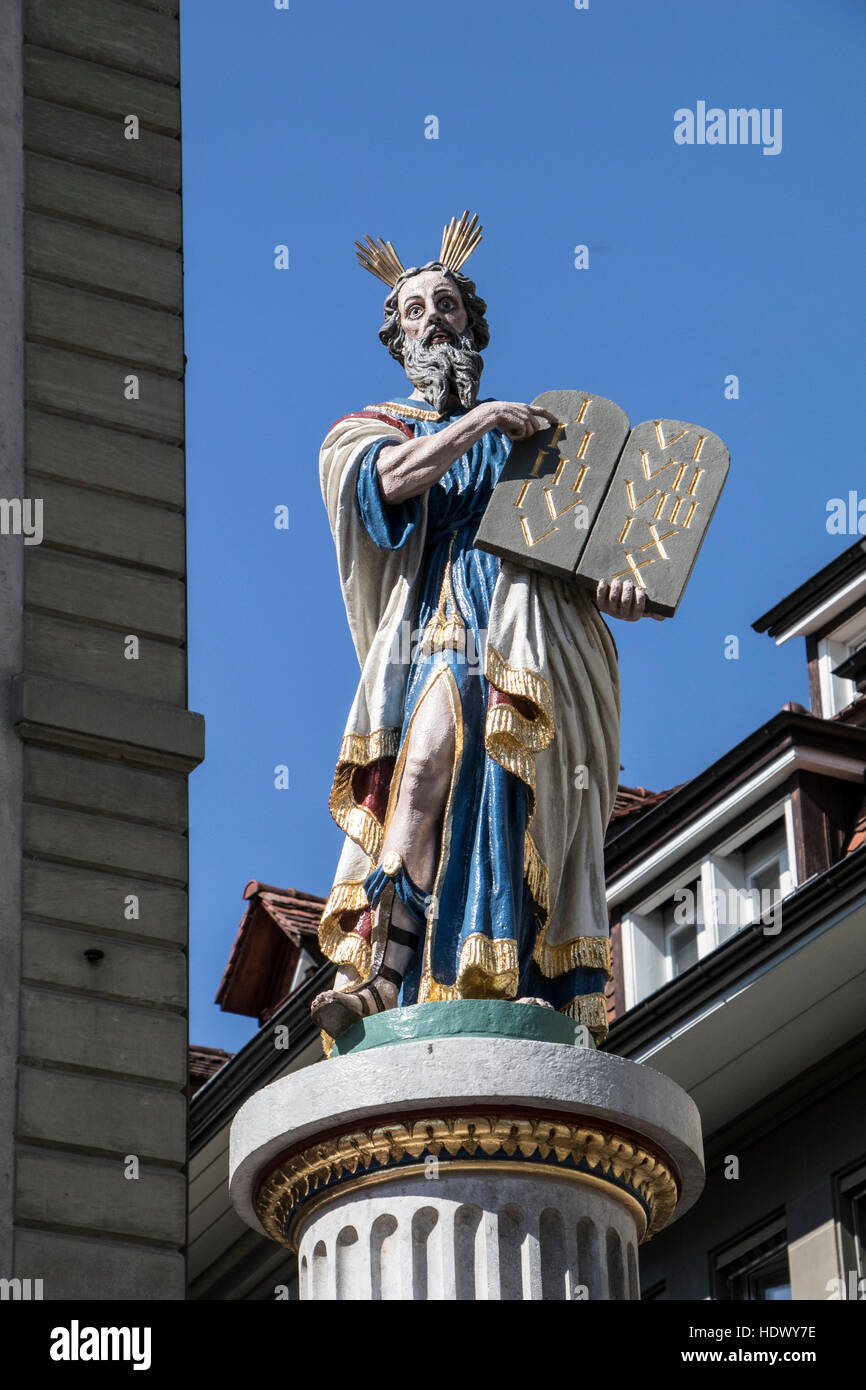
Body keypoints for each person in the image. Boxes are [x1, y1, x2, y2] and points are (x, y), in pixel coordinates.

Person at [311, 215, 658, 1045]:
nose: (434, 318)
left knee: (522, 793)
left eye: (448, 305)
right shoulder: (374, 426)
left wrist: (621, 587)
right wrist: (478, 424)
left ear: (473, 324)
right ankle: (376, 976)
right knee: (425, 762)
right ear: (397, 337)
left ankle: (512, 975)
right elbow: (389, 483)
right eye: (416, 310)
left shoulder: (540, 444)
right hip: (442, 614)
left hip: (540, 631)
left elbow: (592, 558)